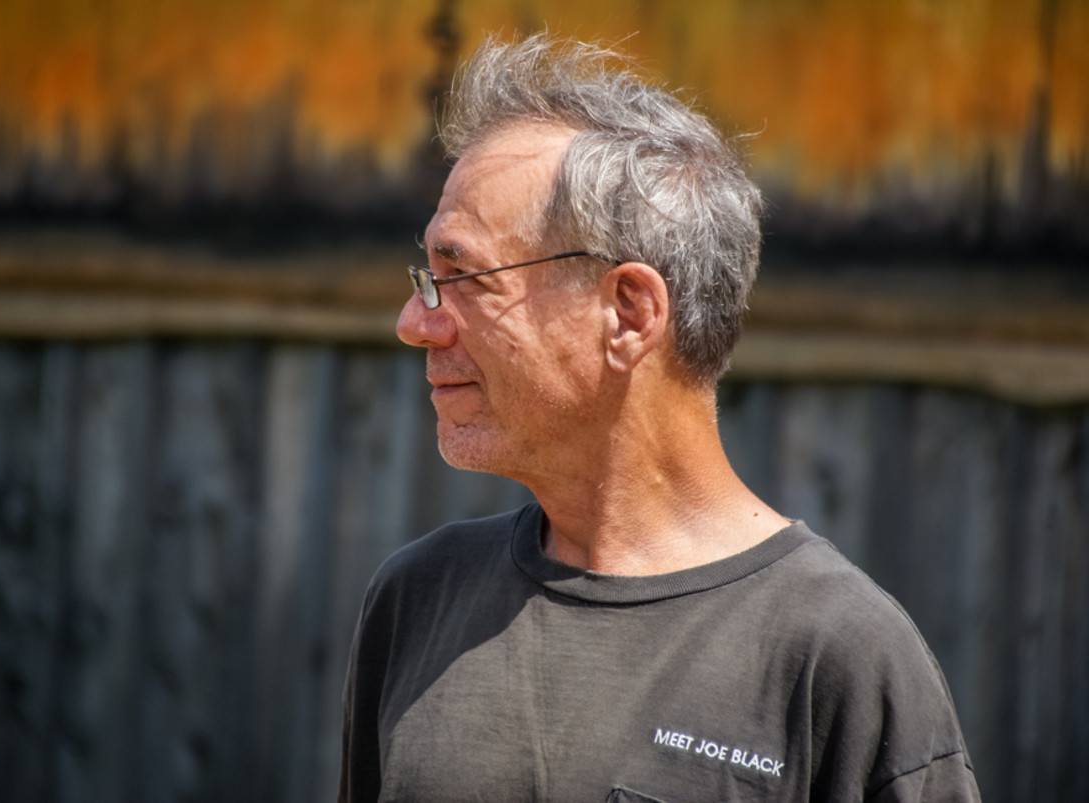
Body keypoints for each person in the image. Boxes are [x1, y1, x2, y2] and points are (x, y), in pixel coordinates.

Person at [339, 32, 980, 802]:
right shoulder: (417, 599)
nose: (415, 322)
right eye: (425, 277)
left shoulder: (837, 656)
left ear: (629, 312)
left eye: (465, 275)